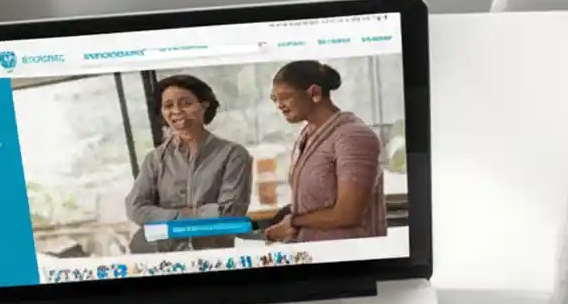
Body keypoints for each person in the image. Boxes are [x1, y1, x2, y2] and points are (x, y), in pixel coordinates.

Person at [126, 74, 252, 253]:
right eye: (168, 105)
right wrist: (187, 214)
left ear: (204, 105)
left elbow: (230, 214)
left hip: (215, 256)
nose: (176, 111)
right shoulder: (154, 159)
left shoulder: (233, 155)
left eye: (186, 103)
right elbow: (136, 208)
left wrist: (166, 217)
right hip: (165, 258)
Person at [264, 61, 386, 243]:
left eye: (285, 97)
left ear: (314, 93)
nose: (279, 105)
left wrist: (294, 222)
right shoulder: (306, 135)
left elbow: (348, 213)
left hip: (351, 257)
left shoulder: (353, 136)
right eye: (275, 99)